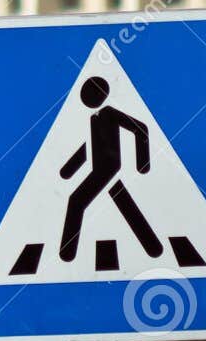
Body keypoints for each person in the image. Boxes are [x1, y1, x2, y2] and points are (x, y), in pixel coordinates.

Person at [57, 76, 162, 262]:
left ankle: (66, 255)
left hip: (108, 169)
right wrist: (68, 170)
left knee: (76, 201)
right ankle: (154, 248)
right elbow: (88, 147)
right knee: (125, 204)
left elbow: (141, 129)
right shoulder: (95, 118)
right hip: (101, 169)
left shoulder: (110, 113)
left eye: (89, 94)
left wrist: (143, 164)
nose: (85, 98)